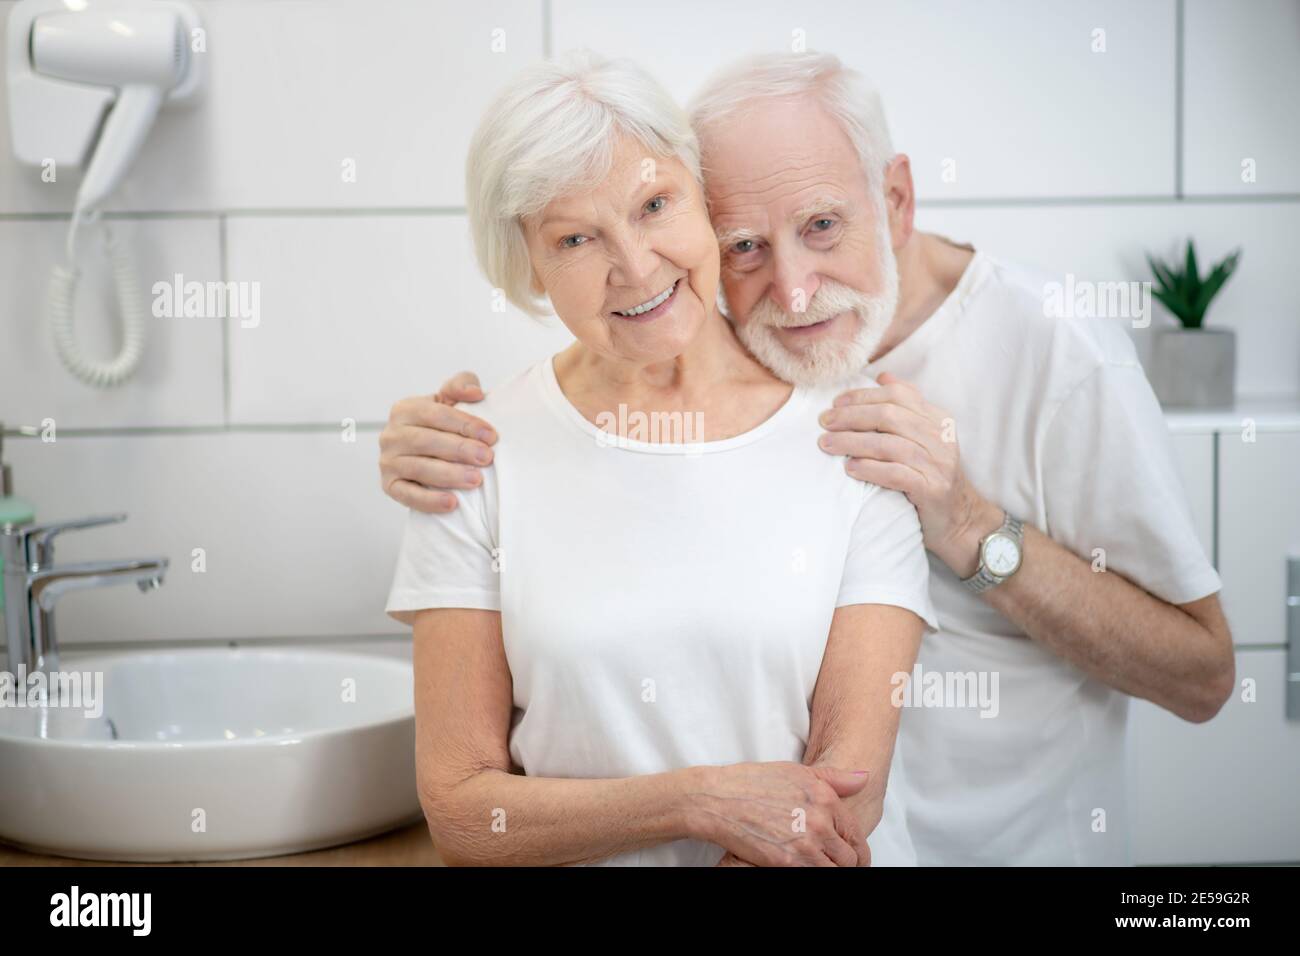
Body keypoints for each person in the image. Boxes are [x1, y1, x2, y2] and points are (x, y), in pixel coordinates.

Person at [380, 51, 1235, 866]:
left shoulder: (1046, 357)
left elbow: (1204, 677)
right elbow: (466, 802)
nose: (791, 292)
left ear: (896, 197)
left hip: (1023, 845)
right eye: (746, 244)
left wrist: (970, 523)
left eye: (823, 226)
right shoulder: (748, 359)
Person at [384, 50, 937, 867]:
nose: (636, 267)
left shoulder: (850, 445)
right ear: (530, 265)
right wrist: (697, 802)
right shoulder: (472, 455)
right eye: (576, 237)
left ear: (701, 198)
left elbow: (850, 792)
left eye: (653, 205)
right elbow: (464, 814)